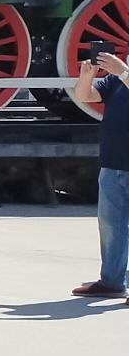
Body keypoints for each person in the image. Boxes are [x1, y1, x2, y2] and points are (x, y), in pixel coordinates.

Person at [70, 46, 129, 299]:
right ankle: (112, 281)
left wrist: (123, 72)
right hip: (112, 163)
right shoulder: (115, 80)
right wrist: (87, 75)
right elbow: (85, 96)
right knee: (110, 225)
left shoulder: (121, 75)